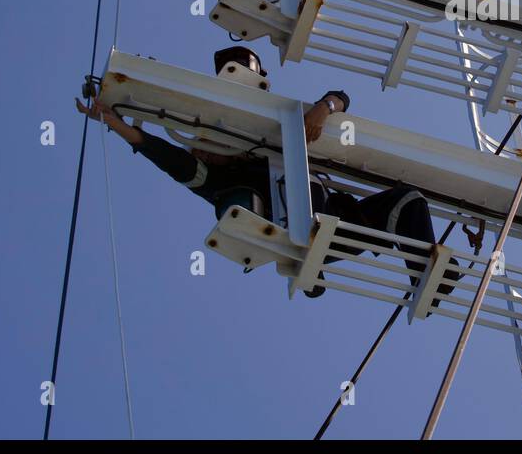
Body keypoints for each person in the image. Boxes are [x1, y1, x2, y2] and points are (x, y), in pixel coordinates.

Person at [74, 90, 458, 299]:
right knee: (322, 210)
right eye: (198, 151)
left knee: (408, 199)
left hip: (347, 220)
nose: (201, 153)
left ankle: (427, 274)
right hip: (312, 233)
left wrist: (323, 109)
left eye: (207, 145)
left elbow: (343, 97)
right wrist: (116, 124)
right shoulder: (217, 183)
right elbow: (166, 157)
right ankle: (427, 277)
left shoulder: (272, 146)